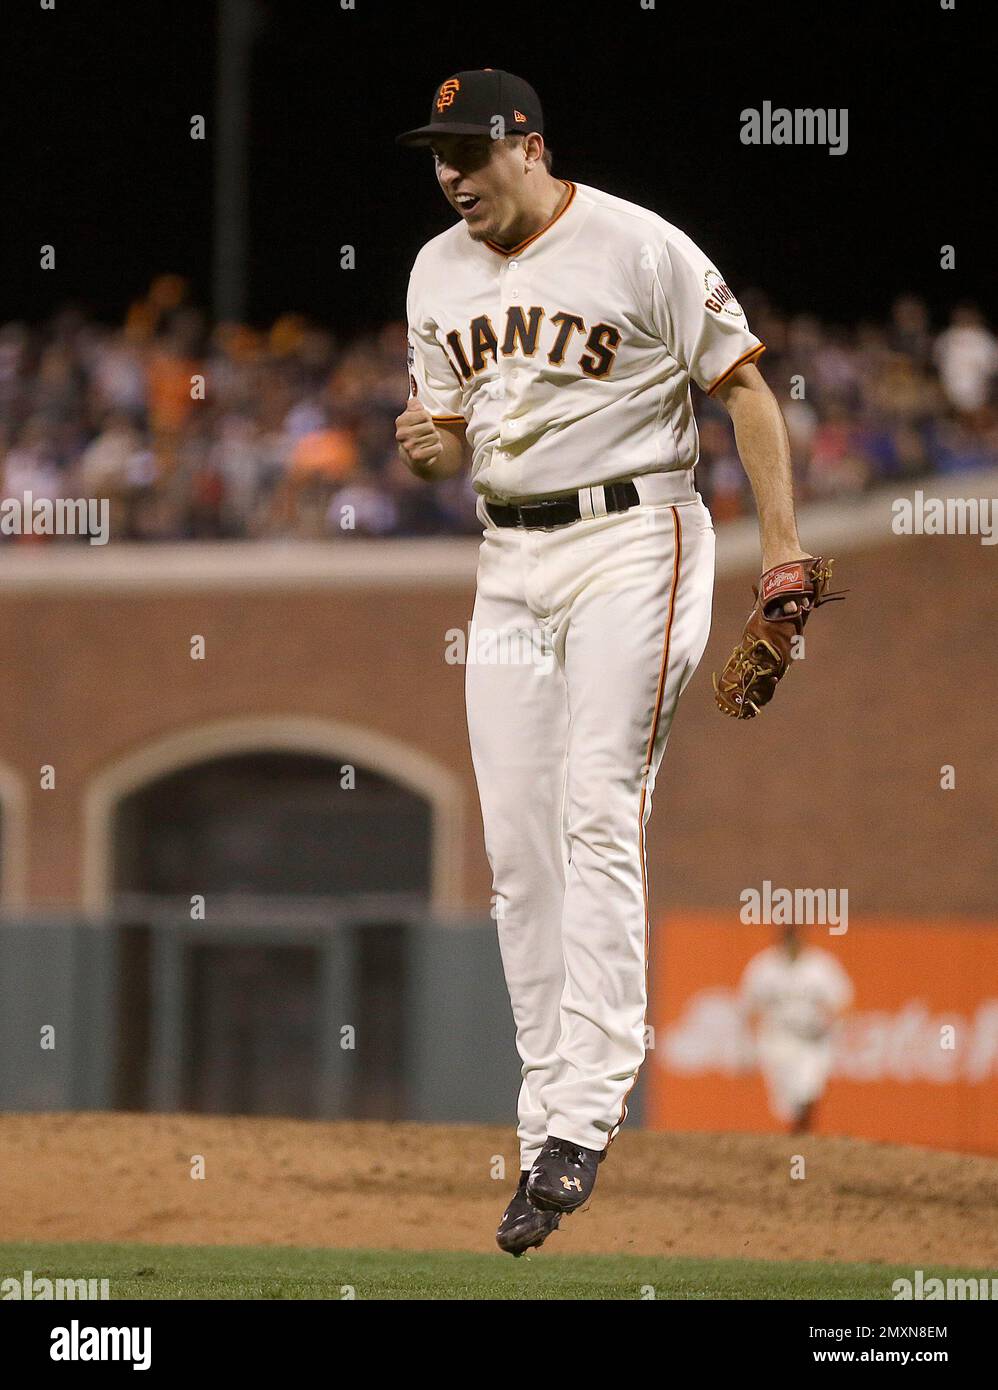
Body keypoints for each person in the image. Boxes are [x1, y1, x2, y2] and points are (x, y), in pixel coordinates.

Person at [395, 70, 816, 1256]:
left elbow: (744, 391)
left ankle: (591, 1103)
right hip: (506, 553)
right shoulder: (435, 272)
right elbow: (447, 445)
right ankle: (543, 1132)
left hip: (639, 535)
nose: (452, 174)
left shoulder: (639, 246)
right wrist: (432, 451)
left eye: (471, 150)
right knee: (517, 849)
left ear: (528, 143)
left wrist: (780, 556)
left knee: (593, 805)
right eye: (439, 154)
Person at [740, 926, 853, 1133]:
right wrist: (749, 1047)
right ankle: (796, 1137)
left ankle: (802, 1137)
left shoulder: (820, 966)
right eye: (788, 940)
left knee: (809, 1090)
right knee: (786, 1104)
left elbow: (842, 1002)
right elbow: (750, 1006)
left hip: (812, 1039)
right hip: (778, 1038)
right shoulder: (765, 966)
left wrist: (835, 1028)